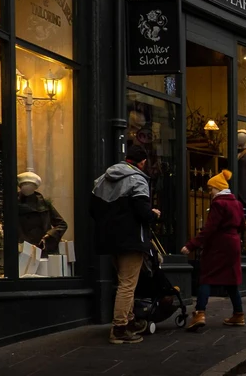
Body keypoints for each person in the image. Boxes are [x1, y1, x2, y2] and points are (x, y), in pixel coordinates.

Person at [90, 145, 161, 344]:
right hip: (131, 239)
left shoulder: (103, 179)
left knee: (124, 282)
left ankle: (129, 321)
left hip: (109, 239)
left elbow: (93, 210)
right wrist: (153, 214)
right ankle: (119, 328)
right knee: (128, 285)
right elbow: (143, 213)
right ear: (143, 162)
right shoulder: (138, 180)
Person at [182, 170, 245, 331]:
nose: (210, 192)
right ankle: (238, 314)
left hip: (219, 244)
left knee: (207, 278)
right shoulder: (237, 203)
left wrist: (191, 245)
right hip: (234, 243)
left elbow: (210, 228)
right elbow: (242, 225)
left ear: (218, 188)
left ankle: (199, 314)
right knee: (232, 280)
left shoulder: (218, 203)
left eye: (211, 189)